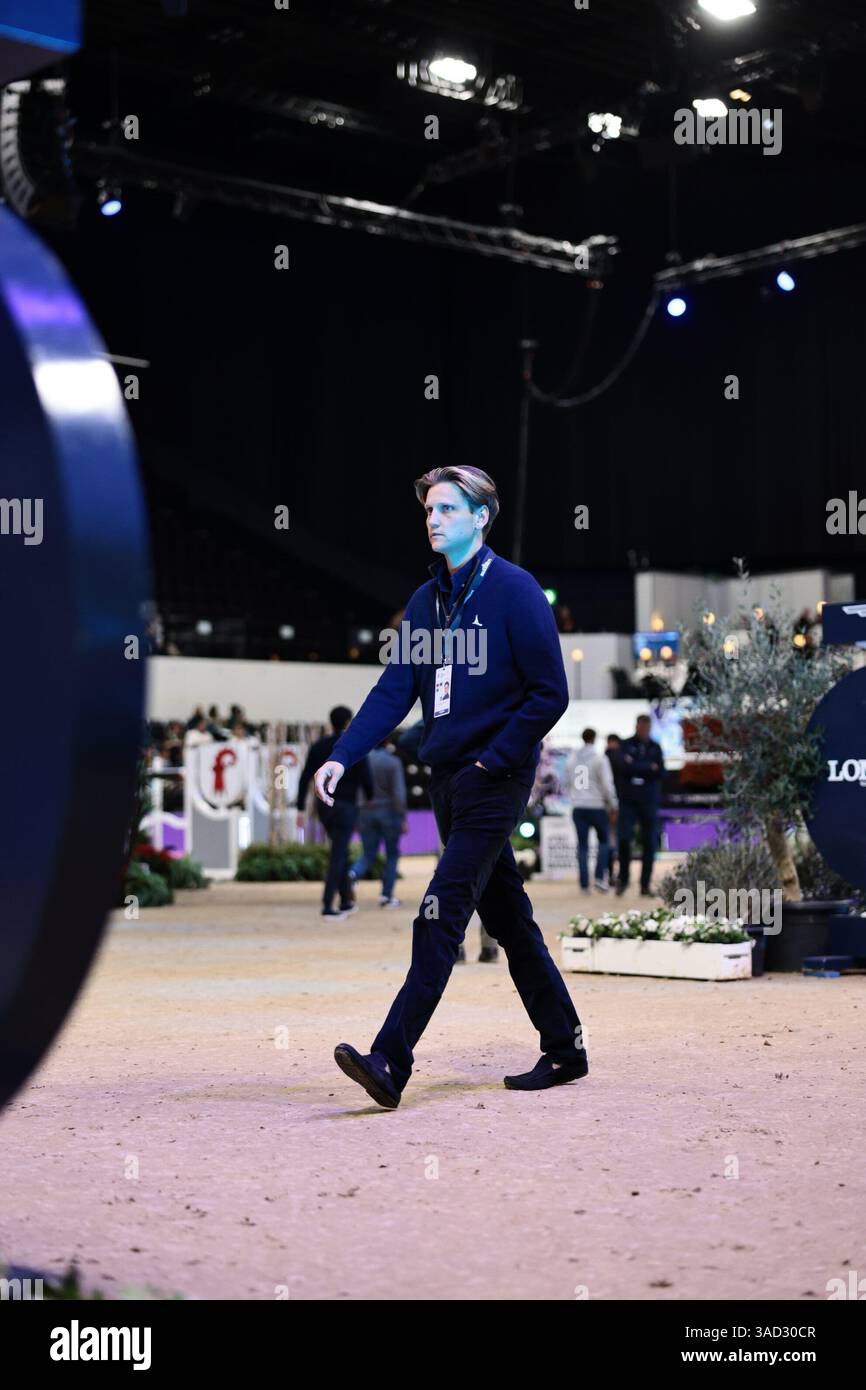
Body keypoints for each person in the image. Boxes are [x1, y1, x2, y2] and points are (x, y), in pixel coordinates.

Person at [312, 465, 587, 1108]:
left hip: (494, 780)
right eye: (428, 510)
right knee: (510, 921)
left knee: (440, 912)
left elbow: (551, 692)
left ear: (480, 516)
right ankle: (566, 1047)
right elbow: (394, 690)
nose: (432, 519)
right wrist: (343, 755)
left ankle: (391, 1058)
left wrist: (496, 759)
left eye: (445, 509)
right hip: (446, 782)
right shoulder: (425, 602)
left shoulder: (516, 593)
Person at [296, 707, 373, 919]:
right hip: (347, 806)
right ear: (349, 722)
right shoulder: (353, 748)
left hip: (325, 807)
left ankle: (347, 899)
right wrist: (370, 798)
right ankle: (328, 904)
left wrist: (300, 807)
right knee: (338, 855)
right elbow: (367, 779)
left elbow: (305, 778)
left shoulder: (318, 746)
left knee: (341, 851)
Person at [349, 734, 408, 907]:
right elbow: (398, 793)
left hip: (365, 811)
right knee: (392, 854)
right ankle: (386, 896)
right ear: (387, 742)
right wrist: (402, 816)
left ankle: (352, 874)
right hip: (389, 811)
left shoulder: (362, 760)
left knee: (368, 854)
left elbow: (357, 790)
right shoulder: (393, 762)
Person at [615, 714, 665, 897]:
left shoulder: (655, 747)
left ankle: (645, 884)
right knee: (623, 839)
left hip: (649, 800)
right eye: (642, 727)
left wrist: (636, 766)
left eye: (647, 728)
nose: (644, 731)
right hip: (628, 800)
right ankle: (623, 879)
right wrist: (647, 768)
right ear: (636, 726)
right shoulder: (626, 744)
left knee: (649, 843)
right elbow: (623, 767)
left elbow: (660, 771)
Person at [565, 728, 618, 893]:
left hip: (578, 807)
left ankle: (583, 885)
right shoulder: (600, 758)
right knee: (603, 841)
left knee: (582, 846)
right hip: (597, 806)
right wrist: (613, 805)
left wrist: (575, 797)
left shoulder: (572, 758)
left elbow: (567, 782)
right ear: (594, 739)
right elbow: (607, 785)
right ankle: (599, 877)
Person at [604, 733, 624, 882]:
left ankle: (611, 874)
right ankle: (613, 874)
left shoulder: (605, 757)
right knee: (614, 840)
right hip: (615, 803)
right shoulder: (618, 757)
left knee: (611, 840)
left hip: (610, 803)